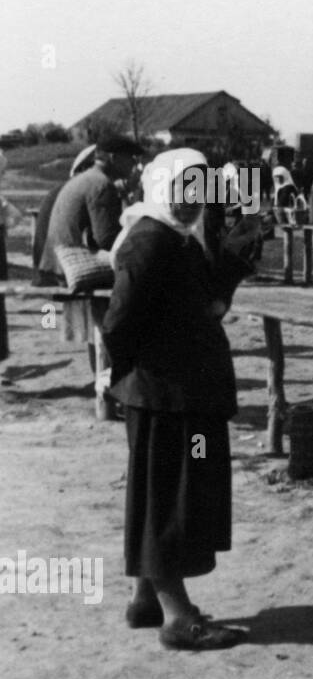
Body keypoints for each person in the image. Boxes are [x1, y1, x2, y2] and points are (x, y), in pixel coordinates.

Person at [101, 148, 264, 649]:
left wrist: (245, 216)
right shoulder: (150, 241)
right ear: (163, 188)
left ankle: (146, 598)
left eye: (200, 191)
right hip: (166, 395)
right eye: (185, 190)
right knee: (171, 500)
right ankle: (178, 618)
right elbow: (117, 325)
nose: (193, 201)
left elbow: (208, 291)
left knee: (157, 494)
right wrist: (130, 374)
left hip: (173, 392)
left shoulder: (174, 238)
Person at [38, 134, 142, 284]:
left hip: (57, 264)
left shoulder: (88, 178)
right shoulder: (102, 185)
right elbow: (106, 240)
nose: (134, 163)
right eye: (130, 157)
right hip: (75, 268)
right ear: (113, 158)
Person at [30, 145, 97, 284]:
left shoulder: (59, 190)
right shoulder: (88, 190)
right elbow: (100, 237)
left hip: (46, 268)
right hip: (66, 271)